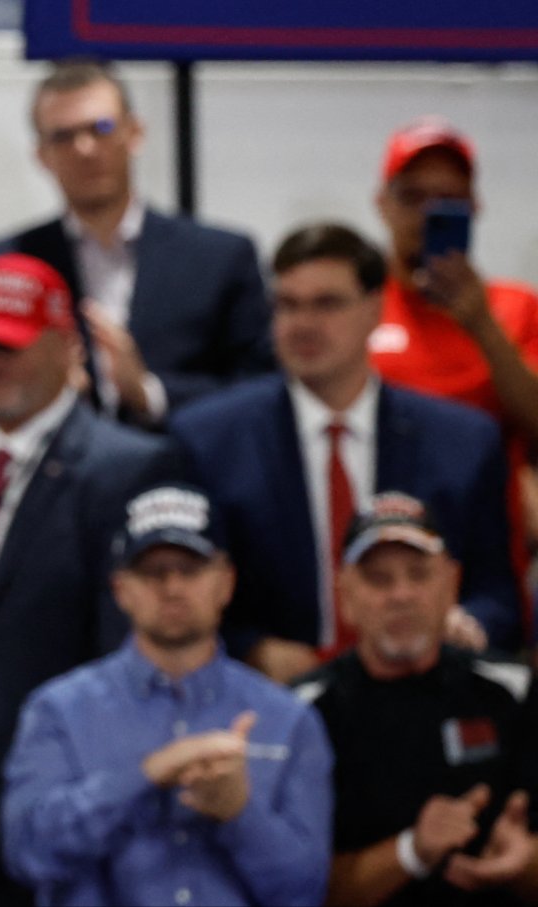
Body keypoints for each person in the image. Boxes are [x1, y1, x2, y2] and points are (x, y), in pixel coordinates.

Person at [0, 252, 184, 904]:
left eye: (8, 344)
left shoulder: (128, 468)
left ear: (65, 345)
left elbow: (125, 650)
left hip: (47, 792)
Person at [171, 223, 519, 683]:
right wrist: (251, 648)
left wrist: (470, 623)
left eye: (327, 303)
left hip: (423, 692)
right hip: (272, 698)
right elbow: (182, 589)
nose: (303, 324)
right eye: (288, 305)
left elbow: (499, 595)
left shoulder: (463, 442)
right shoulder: (209, 440)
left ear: (375, 309)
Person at [3, 484, 333, 906]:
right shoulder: (57, 710)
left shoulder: (290, 719)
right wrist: (147, 774)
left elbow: (307, 890)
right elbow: (28, 854)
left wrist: (238, 813)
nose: (173, 587)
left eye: (190, 569)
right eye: (153, 571)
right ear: (121, 588)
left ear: (226, 582)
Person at [0, 58, 272, 425]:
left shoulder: (221, 258)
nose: (85, 148)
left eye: (102, 127)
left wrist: (150, 392)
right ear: (41, 155)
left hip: (186, 467)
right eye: (62, 136)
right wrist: (47, 396)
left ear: (135, 133)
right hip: (53, 471)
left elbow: (260, 389)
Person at [294, 492, 538, 906]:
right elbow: (297, 889)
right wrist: (411, 851)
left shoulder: (513, 689)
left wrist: (523, 864)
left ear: (451, 583)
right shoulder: (304, 711)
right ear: (344, 594)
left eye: (419, 574)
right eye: (379, 578)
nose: (401, 595)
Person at [369, 116, 538, 633]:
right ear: (383, 204)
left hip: (484, 560)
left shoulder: (514, 309)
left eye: (447, 201)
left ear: (475, 207)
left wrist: (481, 325)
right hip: (375, 556)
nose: (426, 215)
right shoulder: (359, 306)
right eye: (412, 196)